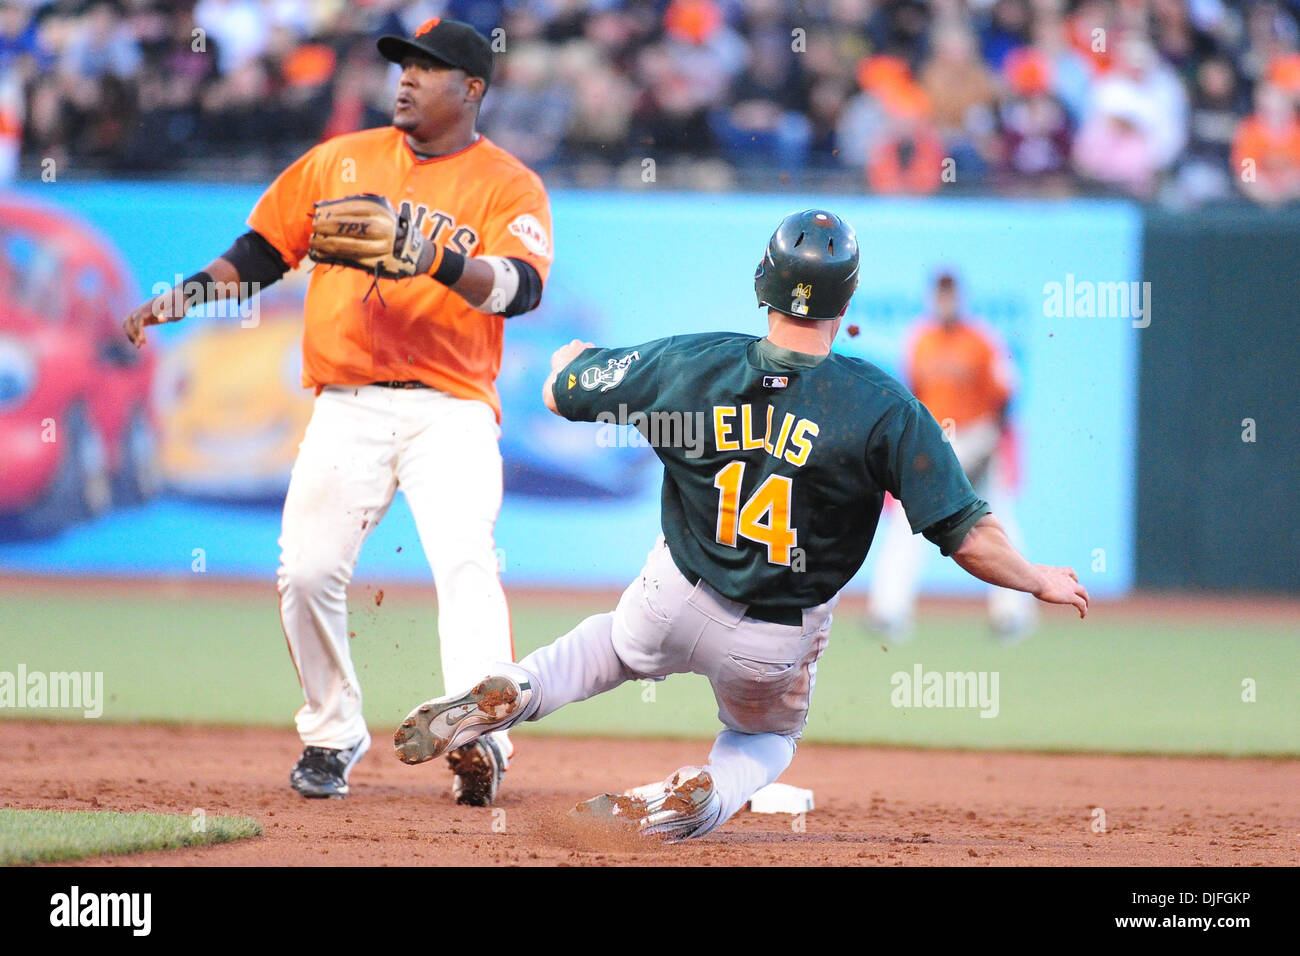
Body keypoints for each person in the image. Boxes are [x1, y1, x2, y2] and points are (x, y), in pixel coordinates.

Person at [390, 210, 1088, 841]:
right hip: (774, 640)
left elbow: (560, 391)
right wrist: (1034, 579)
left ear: (764, 283)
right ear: (845, 304)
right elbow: (966, 533)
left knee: (611, 647)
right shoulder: (882, 407)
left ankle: (516, 689)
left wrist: (570, 367)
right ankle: (705, 796)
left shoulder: (691, 363)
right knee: (767, 742)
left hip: (674, 593)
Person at [122, 18, 554, 805]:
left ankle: (480, 737)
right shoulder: (341, 159)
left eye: (427, 68)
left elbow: (520, 288)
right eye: (404, 65)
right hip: (347, 402)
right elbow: (263, 249)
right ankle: (332, 732)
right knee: (308, 571)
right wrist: (188, 293)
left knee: (465, 562)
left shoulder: (509, 184)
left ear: (472, 89)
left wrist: (430, 256)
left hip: (451, 408)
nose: (407, 79)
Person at [867, 270, 1037, 642]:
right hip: (938, 442)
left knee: (997, 523)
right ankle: (888, 611)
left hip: (978, 438)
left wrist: (991, 443)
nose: (945, 302)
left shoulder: (981, 341)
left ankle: (1013, 613)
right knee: (908, 523)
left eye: (951, 295)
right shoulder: (920, 340)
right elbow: (912, 396)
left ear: (961, 298)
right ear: (933, 298)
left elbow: (1006, 397)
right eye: (940, 295)